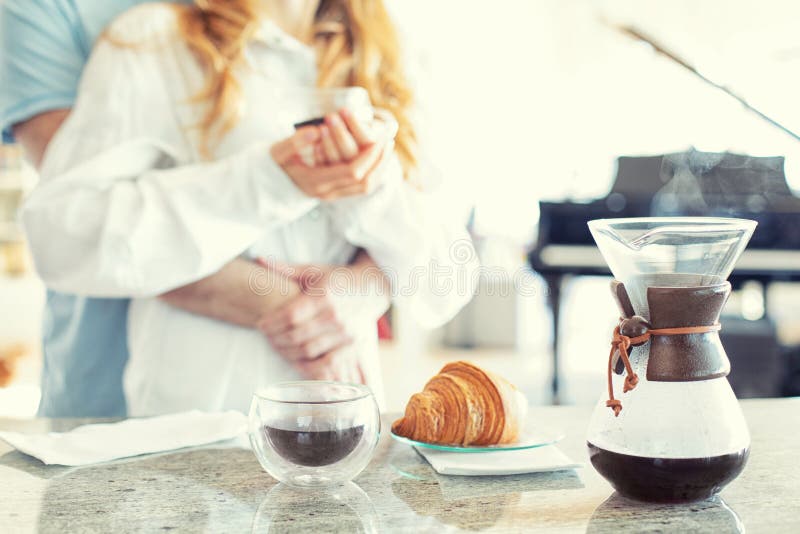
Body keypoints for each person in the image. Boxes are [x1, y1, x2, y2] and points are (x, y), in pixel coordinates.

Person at [20, 0, 478, 414]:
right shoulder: (151, 42)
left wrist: (370, 225)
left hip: (344, 437)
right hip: (190, 447)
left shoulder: (393, 56)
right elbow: (63, 238)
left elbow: (446, 284)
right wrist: (269, 179)